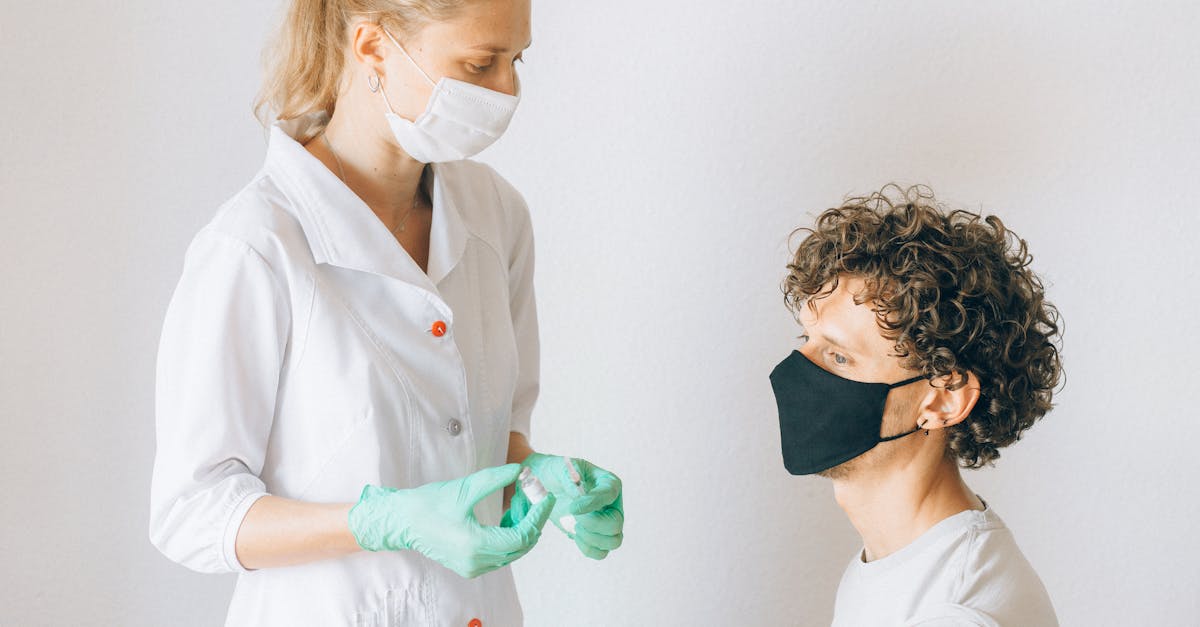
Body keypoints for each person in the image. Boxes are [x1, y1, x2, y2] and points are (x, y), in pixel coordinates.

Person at [148, 1, 624, 625]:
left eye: (517, 60)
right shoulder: (256, 246)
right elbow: (191, 513)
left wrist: (539, 478)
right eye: (480, 64)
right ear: (372, 46)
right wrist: (377, 522)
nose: (508, 90)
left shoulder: (496, 216)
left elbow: (484, 441)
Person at [770, 185, 1061, 626]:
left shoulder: (957, 611)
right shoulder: (891, 566)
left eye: (839, 356)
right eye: (806, 341)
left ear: (943, 399)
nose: (797, 374)